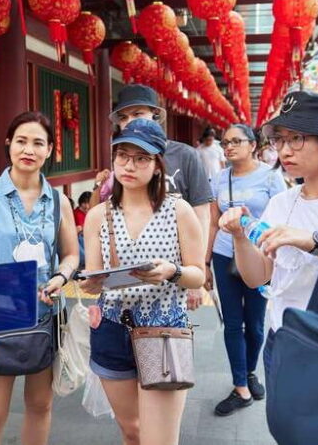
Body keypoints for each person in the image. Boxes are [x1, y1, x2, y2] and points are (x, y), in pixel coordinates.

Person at [0, 111, 80, 445]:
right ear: (9, 144)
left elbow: (71, 254)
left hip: (44, 314)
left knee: (40, 406)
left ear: (50, 150)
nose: (29, 149)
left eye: (38, 142)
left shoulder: (58, 200)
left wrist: (61, 276)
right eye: (21, 141)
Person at [81, 119, 205, 445]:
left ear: (157, 164)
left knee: (159, 440)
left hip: (163, 330)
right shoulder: (98, 216)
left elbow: (198, 275)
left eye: (141, 158)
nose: (129, 165)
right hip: (111, 328)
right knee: (132, 431)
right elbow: (94, 280)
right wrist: (87, 285)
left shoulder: (178, 211)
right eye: (122, 155)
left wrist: (172, 272)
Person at [218, 92, 318, 382]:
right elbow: (259, 278)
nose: (285, 151)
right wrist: (240, 237)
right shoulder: (281, 202)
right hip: (282, 337)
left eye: (297, 139)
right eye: (280, 139)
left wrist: (311, 242)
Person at [89, 84, 214, 309]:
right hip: (124, 286)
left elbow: (201, 215)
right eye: (124, 117)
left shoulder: (186, 156)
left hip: (173, 276)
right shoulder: (123, 159)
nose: (130, 121)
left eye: (138, 114)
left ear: (155, 115)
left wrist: (197, 272)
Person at [206, 123, 286, 416]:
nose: (229, 147)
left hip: (260, 257)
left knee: (254, 323)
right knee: (232, 322)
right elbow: (213, 222)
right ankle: (240, 385)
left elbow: (279, 220)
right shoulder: (218, 178)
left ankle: (250, 371)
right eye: (225, 143)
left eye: (236, 141)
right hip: (225, 255)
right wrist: (204, 263)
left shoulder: (271, 177)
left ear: (253, 145)